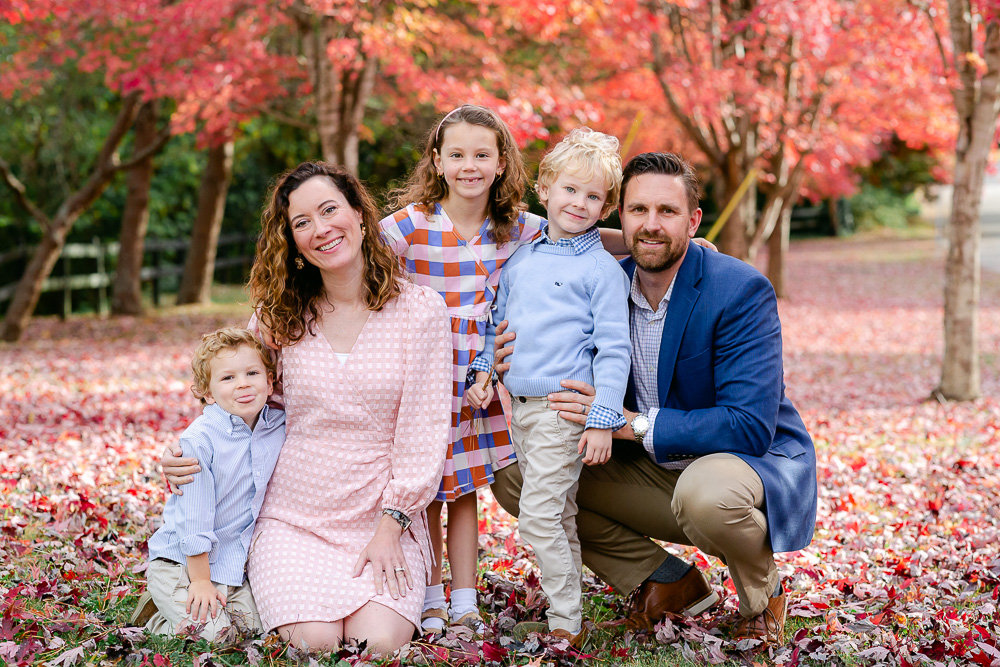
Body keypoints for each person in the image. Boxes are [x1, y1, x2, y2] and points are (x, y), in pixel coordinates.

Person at [490, 151, 817, 644]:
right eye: (638, 210)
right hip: (647, 472)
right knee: (519, 475)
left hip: (737, 470)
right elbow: (559, 233)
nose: (651, 225)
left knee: (706, 494)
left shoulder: (739, 289)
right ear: (619, 215)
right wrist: (505, 353)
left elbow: (748, 425)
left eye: (667, 212)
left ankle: (761, 595)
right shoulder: (603, 280)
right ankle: (666, 581)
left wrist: (632, 424)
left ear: (694, 219)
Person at [161, 162, 452, 653]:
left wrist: (391, 527)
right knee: (314, 642)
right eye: (302, 223)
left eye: (330, 210)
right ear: (293, 242)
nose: (321, 230)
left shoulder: (420, 311)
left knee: (375, 644)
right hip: (293, 516)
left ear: (360, 215)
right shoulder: (280, 315)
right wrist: (191, 451)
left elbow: (423, 433)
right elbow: (238, 397)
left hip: (381, 515)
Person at [378, 105, 631, 633]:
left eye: (482, 155)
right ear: (437, 160)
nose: (470, 165)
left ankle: (465, 598)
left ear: (501, 164)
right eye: (457, 154)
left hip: (482, 378)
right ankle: (428, 594)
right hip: (422, 375)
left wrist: (656, 244)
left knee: (464, 484)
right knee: (422, 483)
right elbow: (357, 259)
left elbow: (581, 235)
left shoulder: (517, 229)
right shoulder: (410, 224)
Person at [465, 128, 630, 642]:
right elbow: (497, 324)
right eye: (570, 190)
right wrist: (484, 372)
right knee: (559, 514)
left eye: (593, 196)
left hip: (565, 411)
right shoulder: (522, 259)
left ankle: (563, 619)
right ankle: (570, 619)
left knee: (536, 519)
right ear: (545, 189)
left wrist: (603, 419)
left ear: (605, 207)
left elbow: (614, 349)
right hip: (524, 409)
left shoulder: (602, 270)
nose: (579, 203)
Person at [132, 327, 285, 641]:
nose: (242, 384)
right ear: (209, 393)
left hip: (230, 563)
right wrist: (200, 581)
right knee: (218, 637)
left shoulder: (277, 426)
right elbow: (194, 518)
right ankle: (158, 617)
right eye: (227, 378)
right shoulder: (199, 442)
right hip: (183, 562)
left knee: (258, 631)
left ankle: (174, 609)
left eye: (252, 373)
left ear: (270, 382)